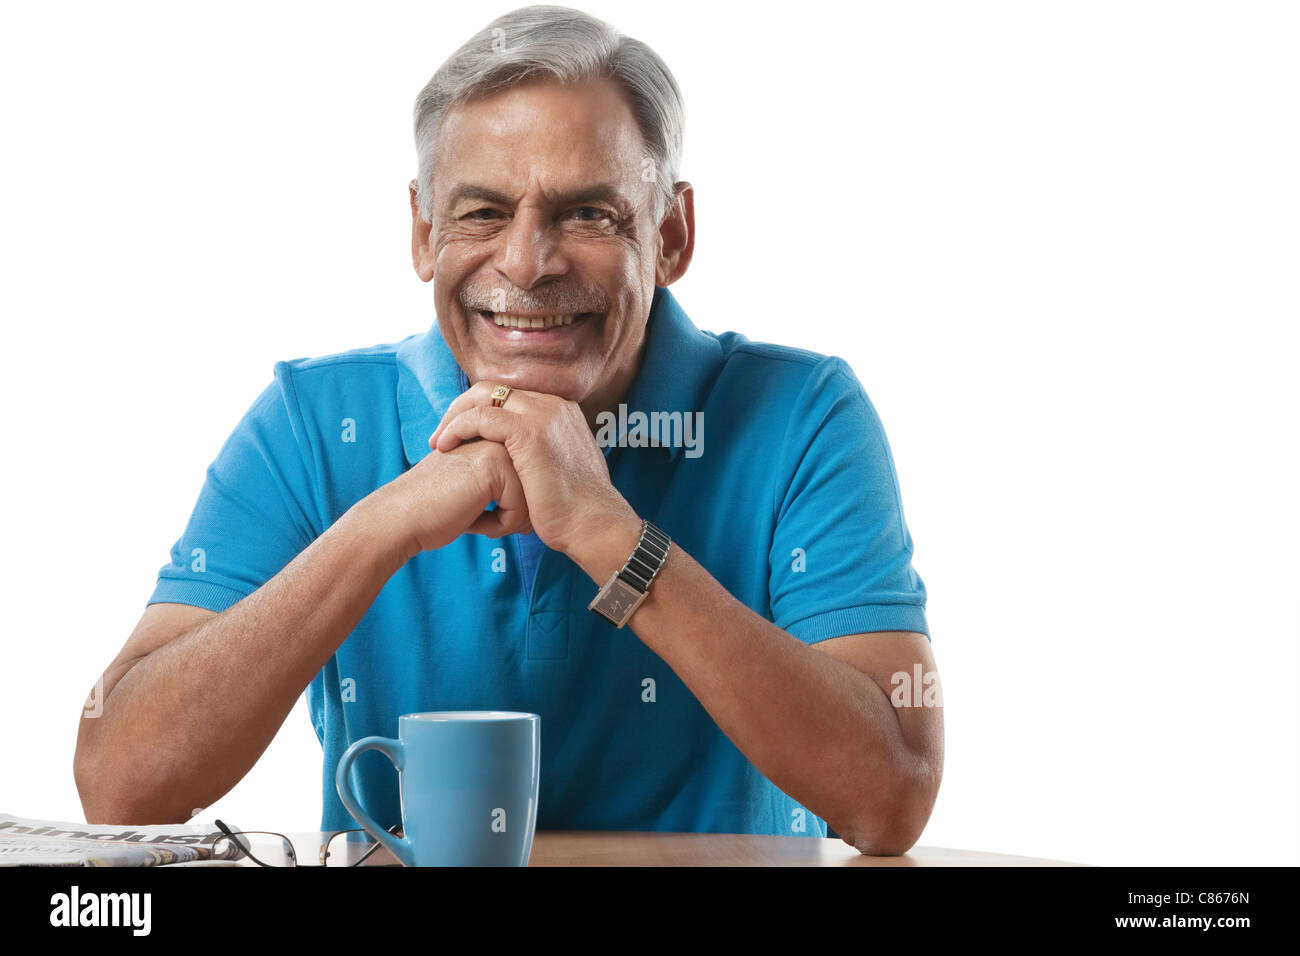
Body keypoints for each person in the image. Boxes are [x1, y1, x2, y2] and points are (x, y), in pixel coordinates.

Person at [74, 5, 942, 854]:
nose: (527, 263)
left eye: (589, 215)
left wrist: (611, 536)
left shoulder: (803, 414)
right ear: (421, 231)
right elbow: (122, 780)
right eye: (483, 213)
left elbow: (890, 799)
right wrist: (388, 521)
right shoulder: (313, 422)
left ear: (672, 234)